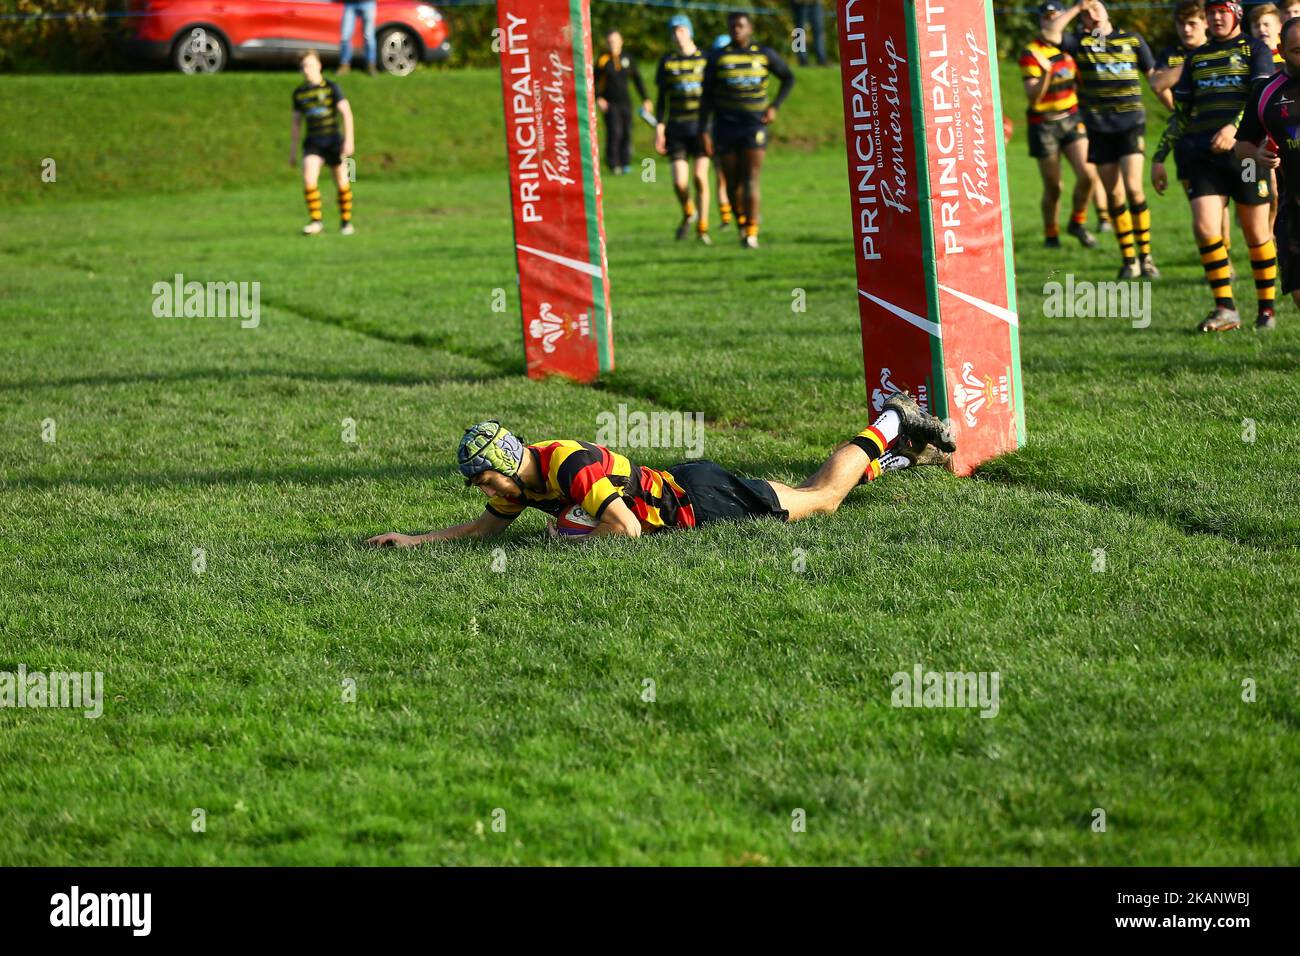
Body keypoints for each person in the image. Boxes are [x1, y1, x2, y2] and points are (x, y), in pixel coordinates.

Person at [365, 398, 954, 547]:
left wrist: (574, 545)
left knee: (820, 499)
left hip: (696, 502)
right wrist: (413, 539)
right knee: (809, 494)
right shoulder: (524, 480)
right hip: (686, 488)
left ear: (499, 467)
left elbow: (625, 530)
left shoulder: (565, 464)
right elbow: (480, 532)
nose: (486, 494)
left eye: (483, 481)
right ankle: (904, 455)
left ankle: (892, 420)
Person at [1160, 0, 1276, 331]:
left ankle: (1266, 309)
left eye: (1222, 11)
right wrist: (1159, 157)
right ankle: (1225, 308)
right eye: (1211, 12)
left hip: (1247, 156)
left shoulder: (1254, 49)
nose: (1216, 17)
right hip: (1203, 157)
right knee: (1205, 228)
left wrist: (1235, 129)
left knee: (1256, 232)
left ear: (1237, 13)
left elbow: (1261, 95)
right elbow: (1180, 113)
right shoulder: (1196, 57)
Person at [1056, 2, 1160, 279]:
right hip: (1100, 127)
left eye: (1096, 7)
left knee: (1134, 188)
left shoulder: (1132, 39)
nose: (1093, 13)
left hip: (1131, 123)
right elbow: (1051, 34)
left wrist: (1177, 107)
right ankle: (1129, 259)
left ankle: (1146, 257)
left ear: (1107, 10)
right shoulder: (1081, 43)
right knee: (1114, 194)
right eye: (1087, 12)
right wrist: (1076, 9)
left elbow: (1155, 80)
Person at [1152, 2, 1238, 269]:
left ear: (1205, 24)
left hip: (1225, 136)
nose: (1186, 30)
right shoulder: (1172, 55)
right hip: (1187, 139)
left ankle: (1229, 255)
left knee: (1228, 205)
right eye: (1181, 24)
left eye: (1192, 24)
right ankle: (1219, 263)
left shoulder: (1226, 49)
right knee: (1202, 205)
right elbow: (1157, 83)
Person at [700, 12, 795, 249]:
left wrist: (774, 106)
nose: (736, 30)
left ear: (750, 28)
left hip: (754, 125)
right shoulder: (718, 57)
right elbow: (706, 97)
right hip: (725, 125)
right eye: (732, 26)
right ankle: (741, 222)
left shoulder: (764, 54)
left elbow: (788, 78)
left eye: (741, 26)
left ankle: (752, 230)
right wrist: (704, 130)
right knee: (732, 182)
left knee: (751, 177)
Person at [1231, 15, 1300, 328]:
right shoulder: (1266, 92)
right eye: (1298, 50)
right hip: (1293, 207)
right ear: (1281, 50)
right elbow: (1241, 145)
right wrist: (1257, 154)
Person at [1018, 1, 1099, 249]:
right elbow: (1033, 98)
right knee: (1054, 187)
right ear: (1041, 21)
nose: (1049, 21)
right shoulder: (1031, 52)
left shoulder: (1072, 45)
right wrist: (1046, 74)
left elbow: (1099, 41)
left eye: (1055, 16)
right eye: (1046, 17)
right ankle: (1051, 235)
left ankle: (1077, 222)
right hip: (1044, 125)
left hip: (1071, 118)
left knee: (1088, 175)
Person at [655, 15, 712, 243]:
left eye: (681, 30)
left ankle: (702, 228)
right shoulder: (667, 61)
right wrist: (659, 128)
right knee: (679, 182)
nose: (677, 36)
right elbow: (662, 99)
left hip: (701, 127)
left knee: (700, 177)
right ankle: (690, 211)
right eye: (674, 32)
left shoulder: (706, 59)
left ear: (689, 32)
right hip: (676, 127)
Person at [290, 51, 355, 236]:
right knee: (309, 178)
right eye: (303, 66)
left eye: (309, 65)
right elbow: (296, 124)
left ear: (319, 65)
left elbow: (346, 113)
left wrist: (349, 141)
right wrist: (293, 152)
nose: (306, 70)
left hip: (333, 140)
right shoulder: (299, 94)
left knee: (343, 181)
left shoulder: (332, 87)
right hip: (313, 143)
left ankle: (346, 222)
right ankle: (316, 221)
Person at [596, 31, 653, 175]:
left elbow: (638, 80)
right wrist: (598, 98)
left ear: (621, 41)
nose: (613, 44)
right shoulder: (602, 60)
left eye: (615, 41)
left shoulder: (628, 58)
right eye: (610, 41)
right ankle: (613, 164)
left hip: (626, 102)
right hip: (610, 103)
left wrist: (645, 99)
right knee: (615, 132)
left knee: (627, 132)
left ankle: (625, 163)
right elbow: (593, 81)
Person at [336, 0, 378, 77]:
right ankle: (344, 65)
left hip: (368, 3)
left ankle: (371, 65)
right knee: (345, 36)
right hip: (350, 3)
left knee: (369, 36)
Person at [790, 1, 827, 67]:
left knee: (819, 32)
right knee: (799, 32)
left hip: (816, 3)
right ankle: (802, 60)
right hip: (800, 4)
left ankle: (822, 60)